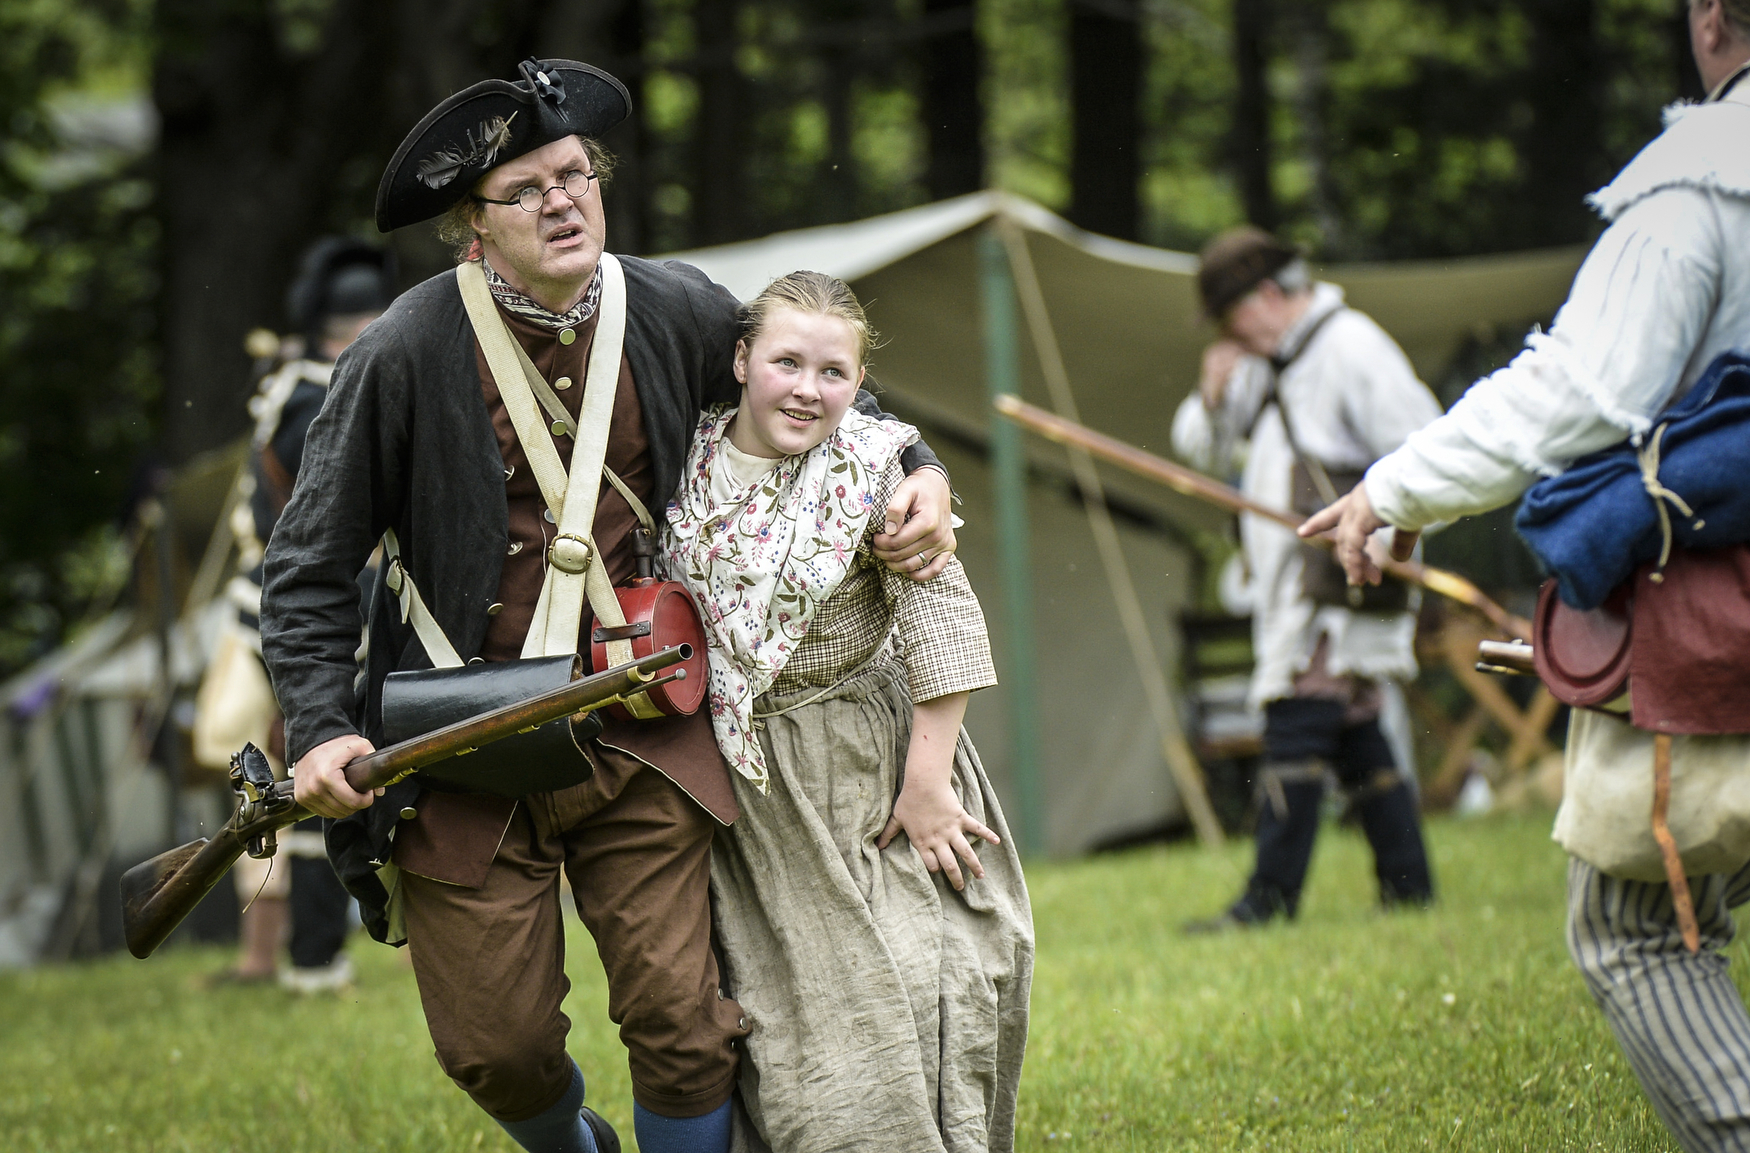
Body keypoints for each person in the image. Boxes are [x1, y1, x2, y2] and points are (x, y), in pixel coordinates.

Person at [260, 59, 958, 1153]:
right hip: (458, 740)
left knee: (685, 1025)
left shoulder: (673, 305)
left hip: (640, 724)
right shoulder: (401, 348)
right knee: (495, 1047)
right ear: (471, 227)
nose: (563, 199)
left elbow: (823, 388)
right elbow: (304, 567)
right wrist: (318, 724)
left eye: (575, 173)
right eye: (528, 188)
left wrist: (918, 464)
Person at [1305, 3, 1750, 1147]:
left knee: (1635, 921)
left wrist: (1393, 489)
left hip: (1718, 610)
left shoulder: (1703, 184)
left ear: (1710, 17)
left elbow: (1580, 394)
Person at [662, 271, 1033, 1152]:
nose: (807, 389)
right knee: (794, 1014)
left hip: (875, 759)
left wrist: (930, 785)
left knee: (921, 978)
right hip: (748, 783)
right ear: (743, 359)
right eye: (786, 361)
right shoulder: (687, 453)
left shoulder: (872, 471)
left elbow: (941, 615)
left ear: (859, 382)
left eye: (834, 372)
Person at [1171, 227, 1441, 931]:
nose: (1231, 331)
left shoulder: (1351, 345)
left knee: (1295, 714)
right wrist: (1211, 392)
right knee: (1354, 727)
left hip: (1342, 578)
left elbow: (1426, 444)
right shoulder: (1267, 359)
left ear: (1268, 295)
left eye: (1234, 313)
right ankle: (1410, 890)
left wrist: (1388, 539)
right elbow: (1202, 446)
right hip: (1298, 585)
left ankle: (1268, 899)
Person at [198, 237, 392, 991]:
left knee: (314, 776)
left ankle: (314, 956)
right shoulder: (316, 391)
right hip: (278, 606)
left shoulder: (309, 387)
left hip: (323, 610)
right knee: (257, 773)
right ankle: (266, 955)